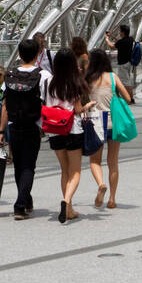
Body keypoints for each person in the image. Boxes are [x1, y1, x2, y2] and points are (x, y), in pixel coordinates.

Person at [0, 38, 51, 219]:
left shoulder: (10, 75)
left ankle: (25, 199)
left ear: (19, 54)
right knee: (29, 166)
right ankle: (20, 205)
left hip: (14, 126)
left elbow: (5, 105)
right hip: (33, 126)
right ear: (37, 55)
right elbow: (48, 102)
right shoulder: (43, 76)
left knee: (19, 165)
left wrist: (0, 131)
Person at [45, 50, 95, 223]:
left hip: (54, 130)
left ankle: (69, 209)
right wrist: (88, 105)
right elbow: (78, 110)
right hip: (72, 129)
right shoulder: (74, 82)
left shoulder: (48, 81)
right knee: (75, 172)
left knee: (64, 170)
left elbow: (48, 104)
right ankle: (66, 202)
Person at [85, 49, 132, 209]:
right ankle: (112, 199)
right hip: (113, 123)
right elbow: (127, 97)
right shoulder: (112, 77)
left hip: (95, 122)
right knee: (113, 162)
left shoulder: (87, 79)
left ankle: (101, 184)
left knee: (94, 161)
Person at [106, 24, 137, 98]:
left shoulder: (122, 41)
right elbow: (119, 42)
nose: (119, 33)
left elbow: (112, 46)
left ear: (123, 32)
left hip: (123, 63)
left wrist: (107, 39)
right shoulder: (130, 39)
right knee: (127, 80)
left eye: (120, 31)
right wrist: (112, 36)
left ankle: (130, 98)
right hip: (129, 62)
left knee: (126, 82)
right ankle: (130, 97)